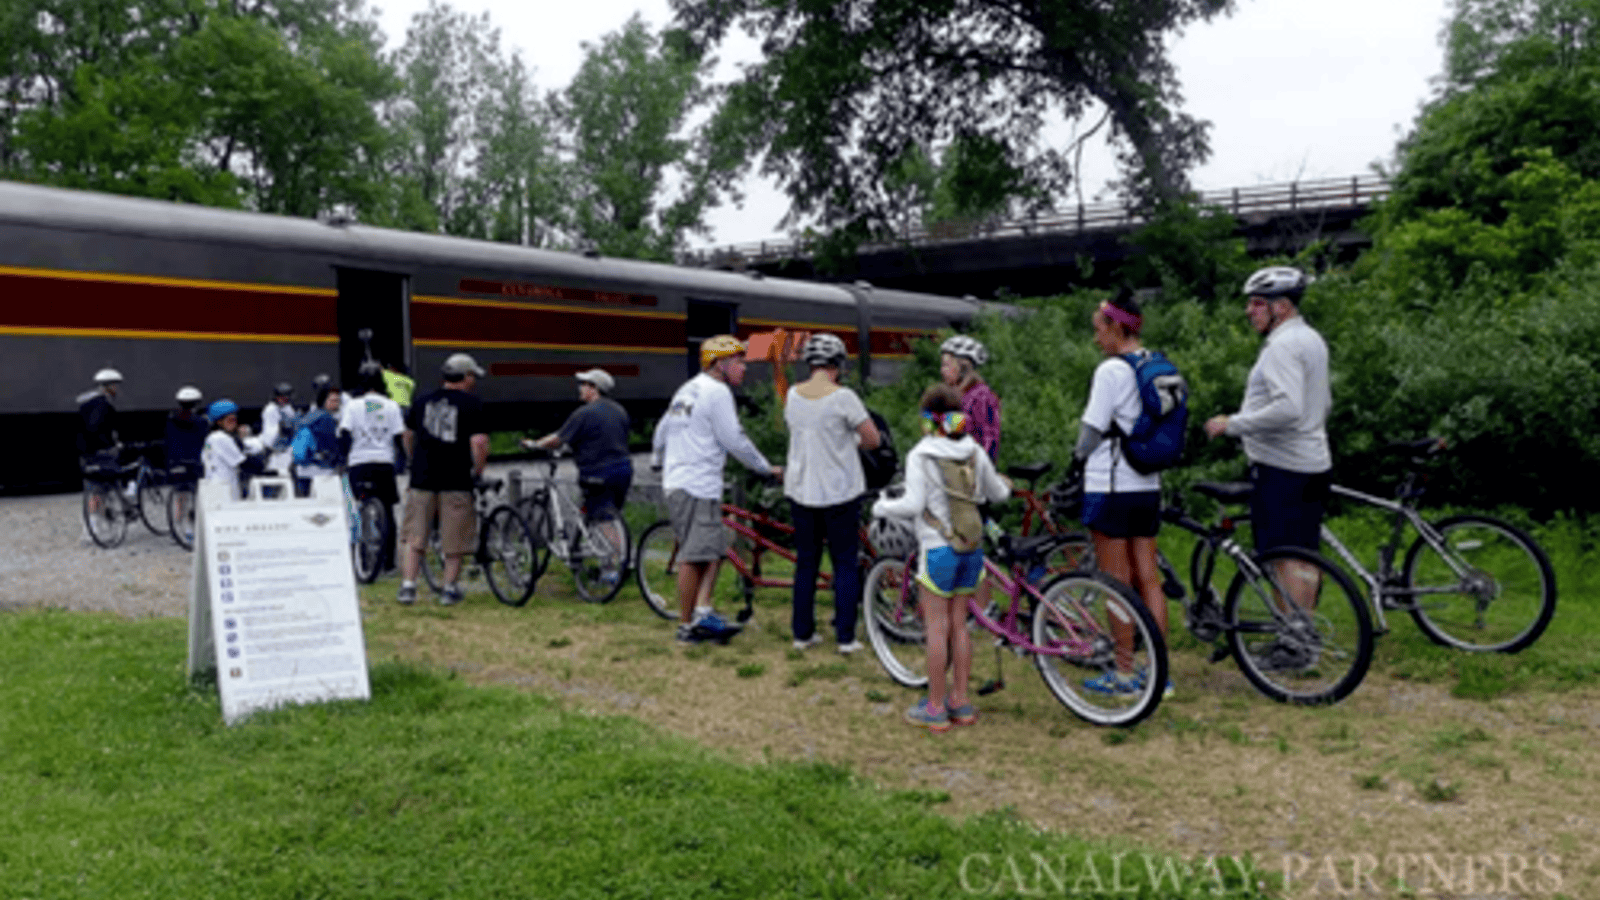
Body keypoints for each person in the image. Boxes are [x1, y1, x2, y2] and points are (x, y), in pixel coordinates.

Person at [871, 384, 1010, 732]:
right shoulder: (973, 449)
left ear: (926, 419)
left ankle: (934, 706)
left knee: (936, 627)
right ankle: (960, 703)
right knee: (960, 626)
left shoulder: (922, 454)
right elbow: (998, 493)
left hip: (937, 549)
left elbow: (912, 504)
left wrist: (881, 506)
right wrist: (1004, 484)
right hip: (971, 548)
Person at [1203, 266, 1332, 633]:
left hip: (1282, 468)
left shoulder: (1282, 346)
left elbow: (1288, 407)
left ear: (1283, 307)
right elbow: (1322, 404)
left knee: (1283, 559)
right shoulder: (1311, 339)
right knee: (1304, 555)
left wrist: (1233, 424)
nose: (1249, 311)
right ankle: (1302, 631)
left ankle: (1293, 639)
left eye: (1258, 303)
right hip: (1312, 461)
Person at [1072, 290, 1172, 697]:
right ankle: (1159, 672)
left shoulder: (1111, 371)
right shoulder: (1154, 364)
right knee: (1148, 577)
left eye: (1099, 331)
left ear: (1116, 328)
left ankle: (1125, 671)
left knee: (1116, 581)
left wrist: (1074, 462)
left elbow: (1091, 431)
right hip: (1147, 484)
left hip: (1110, 485)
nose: (1096, 339)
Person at [652, 335, 782, 643]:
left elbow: (661, 430)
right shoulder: (717, 392)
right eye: (738, 361)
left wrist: (661, 461)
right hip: (696, 485)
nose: (743, 368)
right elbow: (733, 438)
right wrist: (765, 468)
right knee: (694, 554)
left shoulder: (687, 390)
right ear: (719, 364)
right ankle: (688, 627)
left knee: (715, 548)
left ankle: (703, 611)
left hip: (686, 482)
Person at [783, 333, 880, 654]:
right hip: (839, 491)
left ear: (810, 365)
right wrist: (847, 441)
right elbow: (872, 439)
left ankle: (802, 633)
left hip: (801, 491)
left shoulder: (793, 396)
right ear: (837, 365)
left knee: (806, 564)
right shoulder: (844, 398)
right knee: (844, 563)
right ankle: (845, 637)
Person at [523, 368, 633, 583]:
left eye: (584, 384)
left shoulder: (584, 413)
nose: (580, 388)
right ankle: (620, 560)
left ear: (594, 388)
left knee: (604, 521)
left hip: (598, 472)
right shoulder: (620, 411)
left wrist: (535, 444)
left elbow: (557, 439)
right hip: (623, 469)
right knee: (612, 516)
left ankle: (615, 568)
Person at [398, 353, 489, 607]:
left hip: (422, 478)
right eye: (473, 376)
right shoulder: (473, 404)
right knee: (454, 538)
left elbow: (407, 434)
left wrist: (414, 459)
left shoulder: (422, 400)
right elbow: (479, 442)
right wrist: (478, 471)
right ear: (466, 377)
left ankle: (408, 587)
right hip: (456, 478)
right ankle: (449, 589)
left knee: (416, 536)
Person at [341, 364, 406, 574]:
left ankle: (363, 559)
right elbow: (398, 438)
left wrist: (344, 458)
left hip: (359, 464)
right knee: (387, 512)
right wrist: (401, 463)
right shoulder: (391, 406)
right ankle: (389, 563)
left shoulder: (352, 405)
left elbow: (344, 434)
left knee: (359, 509)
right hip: (384, 463)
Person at [939, 335, 1002, 462]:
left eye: (946, 365)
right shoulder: (953, 396)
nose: (942, 371)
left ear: (963, 367)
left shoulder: (981, 397)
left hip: (969, 472)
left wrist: (979, 470)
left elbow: (988, 440)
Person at [201, 399, 267, 500]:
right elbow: (241, 462)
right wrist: (262, 468)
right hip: (223, 489)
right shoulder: (221, 438)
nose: (234, 423)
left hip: (213, 486)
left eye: (235, 420)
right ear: (219, 422)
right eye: (230, 420)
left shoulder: (212, 438)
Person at [291, 384, 345, 496]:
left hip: (303, 467)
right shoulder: (326, 418)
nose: (337, 403)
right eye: (333, 400)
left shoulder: (310, 416)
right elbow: (331, 444)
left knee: (305, 502)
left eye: (338, 400)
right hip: (320, 468)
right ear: (324, 400)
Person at [77, 368, 122, 466]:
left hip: (87, 455)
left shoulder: (87, 403)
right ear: (109, 386)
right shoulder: (102, 405)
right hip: (100, 455)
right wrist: (111, 446)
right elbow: (95, 428)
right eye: (116, 385)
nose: (118, 389)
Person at [164, 386, 208, 479]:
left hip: (175, 461)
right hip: (195, 462)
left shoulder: (171, 419)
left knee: (179, 489)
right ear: (197, 403)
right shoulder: (201, 422)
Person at [258, 382, 299, 477]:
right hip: (274, 451)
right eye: (283, 396)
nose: (286, 399)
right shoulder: (271, 409)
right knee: (277, 477)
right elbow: (269, 437)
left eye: (287, 397)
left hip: (287, 448)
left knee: (287, 477)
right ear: (277, 397)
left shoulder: (288, 409)